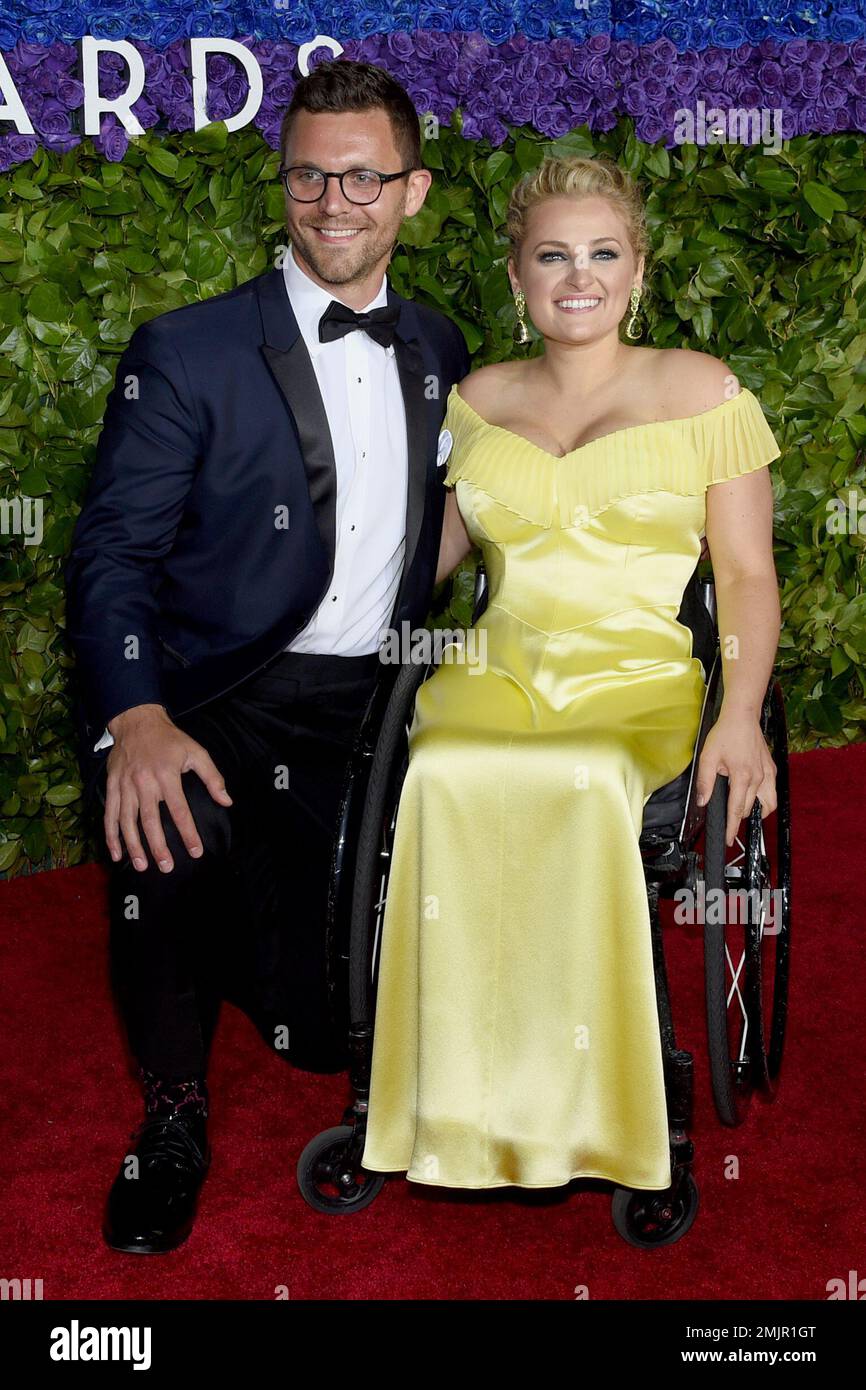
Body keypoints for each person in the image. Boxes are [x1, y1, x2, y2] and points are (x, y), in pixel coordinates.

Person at [63, 58, 469, 1253]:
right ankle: (173, 1113)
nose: (332, 201)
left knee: (316, 1029)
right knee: (164, 827)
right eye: (307, 173)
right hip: (216, 693)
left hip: (360, 706)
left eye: (361, 176)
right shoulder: (184, 352)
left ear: (413, 191)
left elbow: (427, 532)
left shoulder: (438, 345)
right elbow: (108, 561)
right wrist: (136, 720)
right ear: (281, 180)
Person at [361, 154, 782, 1192]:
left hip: (636, 673)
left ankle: (598, 1106)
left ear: (637, 269)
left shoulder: (702, 389)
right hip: (498, 662)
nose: (577, 275)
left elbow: (743, 576)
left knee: (590, 773)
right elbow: (429, 563)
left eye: (601, 252)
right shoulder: (476, 399)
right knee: (442, 765)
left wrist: (740, 721)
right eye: (552, 254)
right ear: (516, 276)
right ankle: (454, 1106)